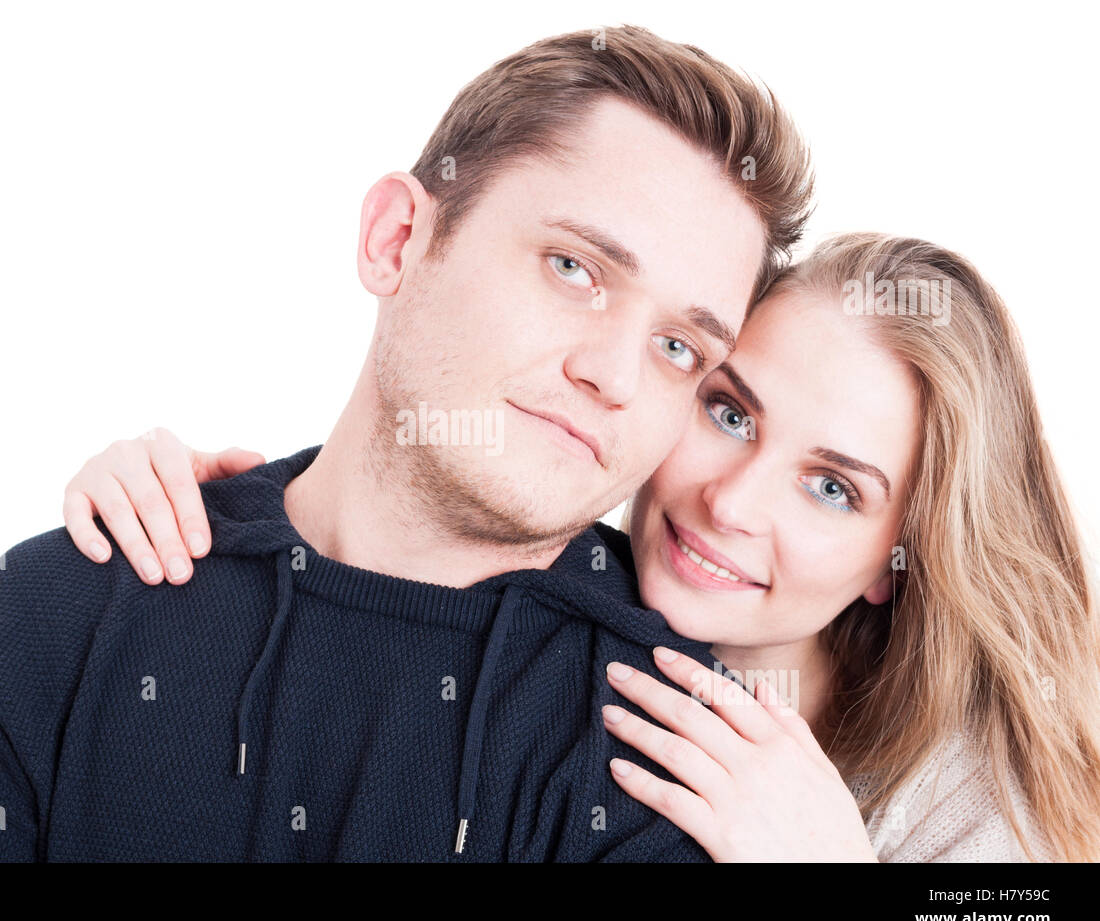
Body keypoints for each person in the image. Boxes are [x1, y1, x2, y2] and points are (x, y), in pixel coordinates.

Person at [0, 26, 817, 862]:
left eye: (678, 346)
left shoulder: (677, 751)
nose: (615, 373)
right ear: (396, 239)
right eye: (573, 267)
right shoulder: (61, 606)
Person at [68, 234, 1100, 862]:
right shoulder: (560, 600)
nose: (729, 500)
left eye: (831, 488)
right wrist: (212, 500)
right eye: (731, 414)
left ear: (895, 557)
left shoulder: (979, 799)